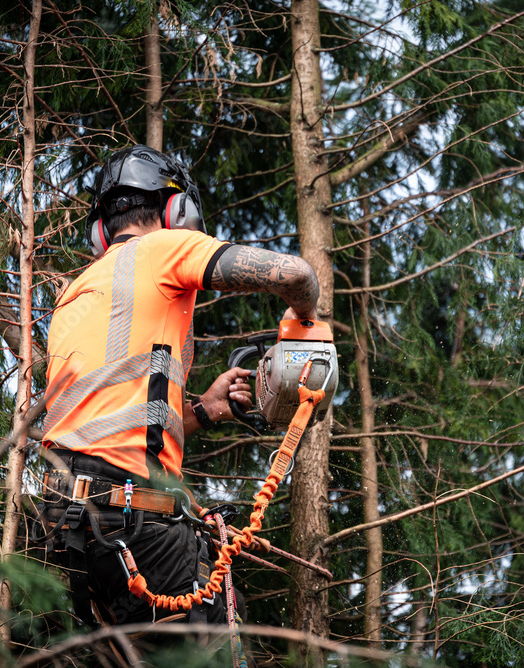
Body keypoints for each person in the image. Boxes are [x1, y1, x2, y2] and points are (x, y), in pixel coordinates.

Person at [40, 145, 319, 628]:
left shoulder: (73, 292)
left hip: (67, 522)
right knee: (216, 638)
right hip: (128, 520)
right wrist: (306, 322)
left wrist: (204, 410)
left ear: (100, 229)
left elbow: (106, 426)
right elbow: (295, 273)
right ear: (176, 211)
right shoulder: (164, 247)